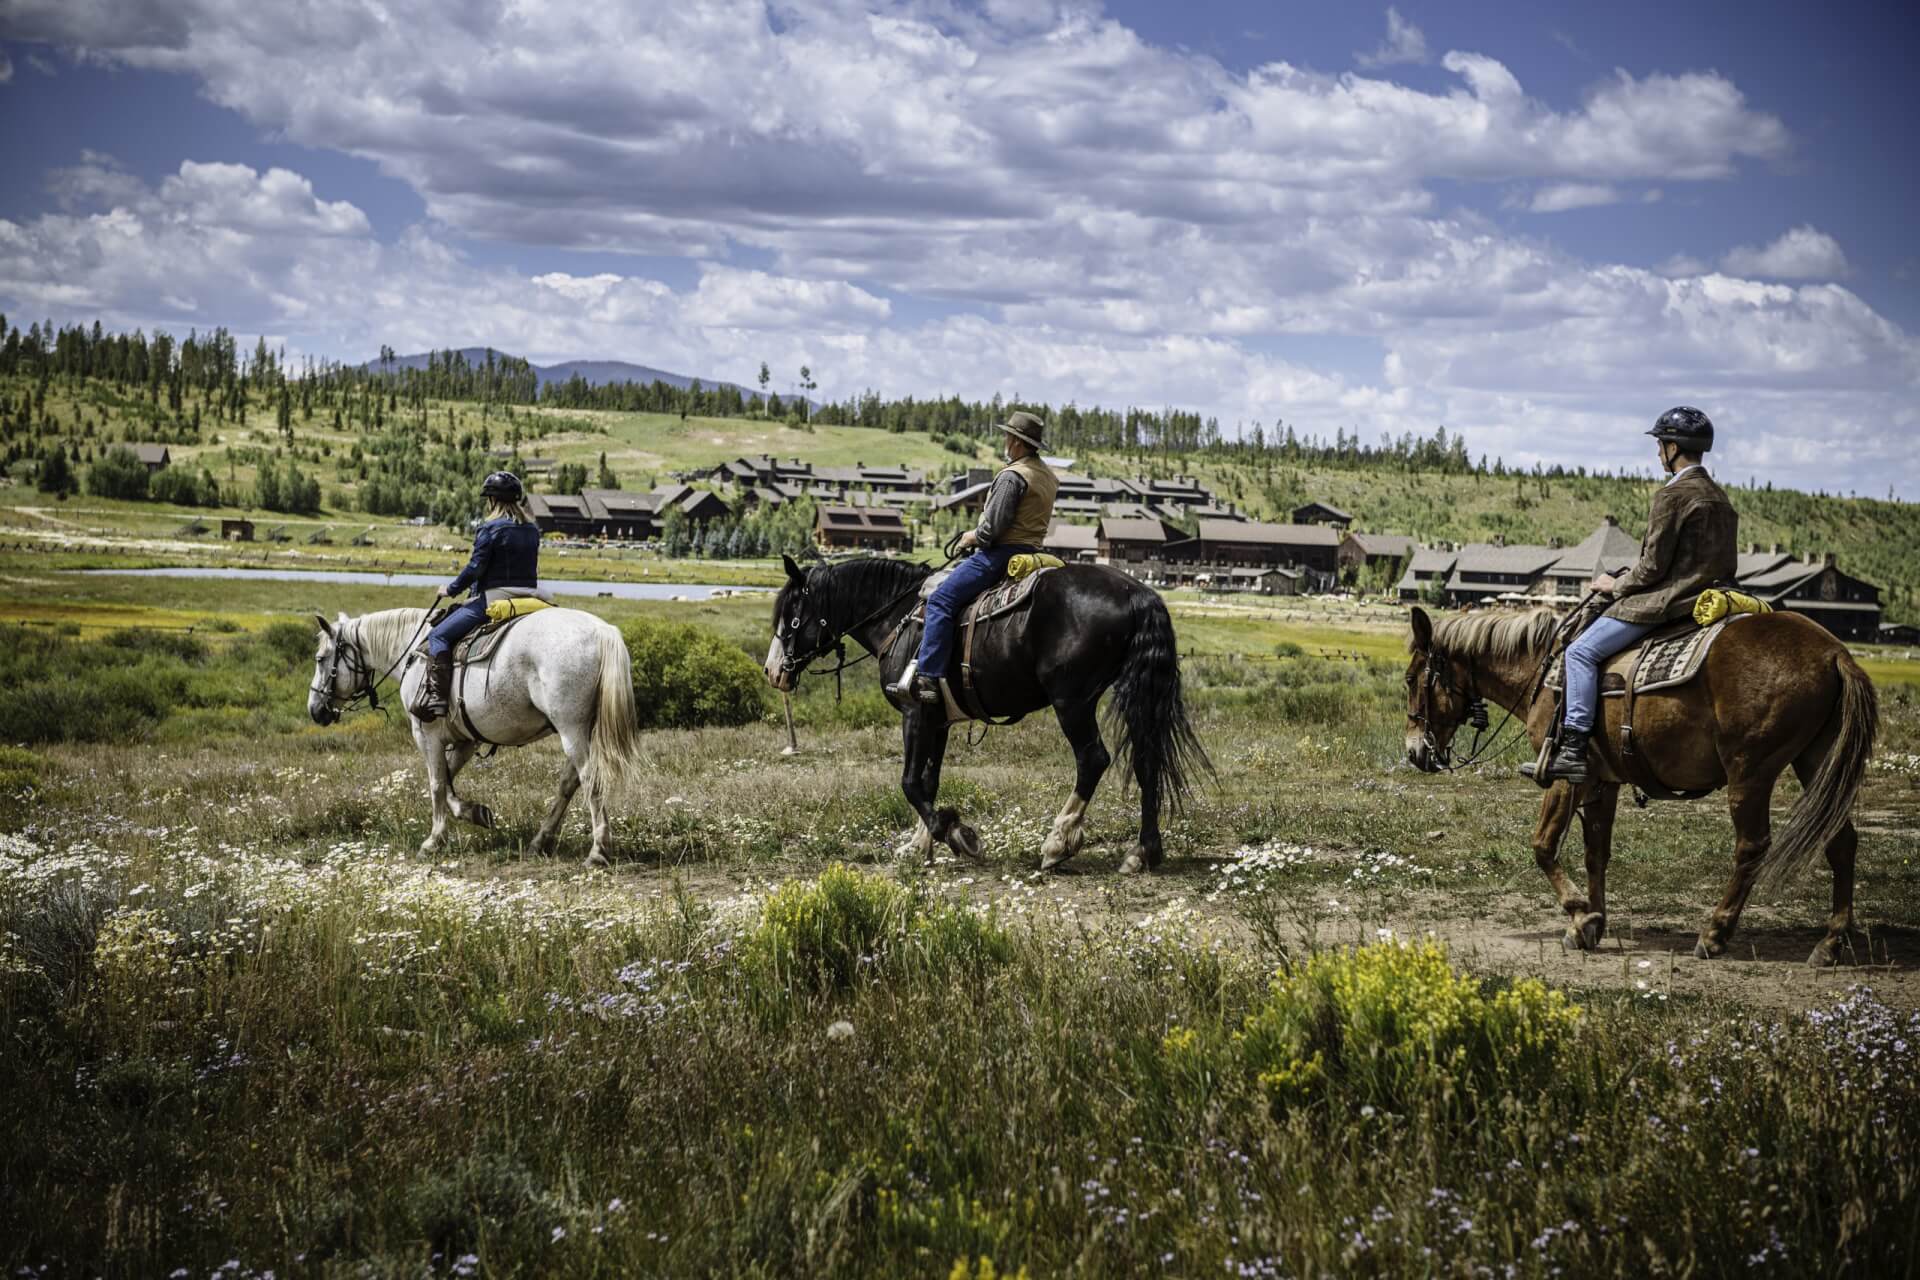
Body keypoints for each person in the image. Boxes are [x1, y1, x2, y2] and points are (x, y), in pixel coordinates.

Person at [1539, 406, 1739, 782]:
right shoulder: (1721, 498)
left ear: (1673, 448)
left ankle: (1574, 746)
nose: (1658, 452)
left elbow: (1652, 568)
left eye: (1661, 444)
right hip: (1711, 601)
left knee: (1579, 651)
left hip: (1667, 604)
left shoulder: (1673, 494)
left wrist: (1613, 584)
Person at [892, 411, 1059, 704]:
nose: (1006, 441)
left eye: (1008, 436)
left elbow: (993, 528)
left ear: (1017, 442)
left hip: (1000, 554)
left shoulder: (1012, 476)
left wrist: (971, 537)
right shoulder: (1047, 476)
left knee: (941, 599)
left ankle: (929, 677)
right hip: (1034, 553)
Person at [415, 471, 542, 721]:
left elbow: (475, 568)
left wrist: (450, 589)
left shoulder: (490, 528)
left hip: (496, 597)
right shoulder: (531, 529)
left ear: (493, 501)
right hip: (531, 597)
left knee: (438, 635)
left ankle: (437, 698)